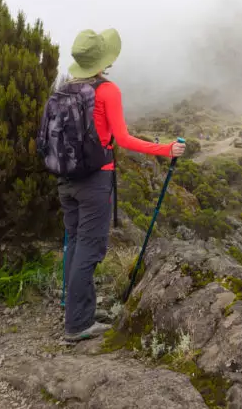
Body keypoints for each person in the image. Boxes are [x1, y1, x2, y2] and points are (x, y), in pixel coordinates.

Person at [59, 28, 185, 341]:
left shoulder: (65, 88)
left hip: (65, 178)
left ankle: (80, 311)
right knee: (89, 248)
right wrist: (165, 149)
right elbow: (124, 139)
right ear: (102, 60)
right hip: (95, 179)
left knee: (75, 244)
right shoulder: (107, 91)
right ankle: (77, 326)